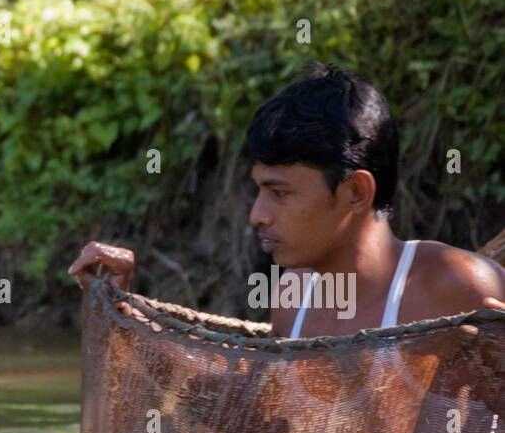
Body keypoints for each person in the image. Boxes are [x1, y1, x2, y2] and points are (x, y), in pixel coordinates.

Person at [69, 62, 505, 333]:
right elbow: (263, 428)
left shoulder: (457, 287)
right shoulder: (296, 296)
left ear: (356, 192)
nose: (257, 216)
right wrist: (126, 314)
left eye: (279, 193)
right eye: (259, 191)